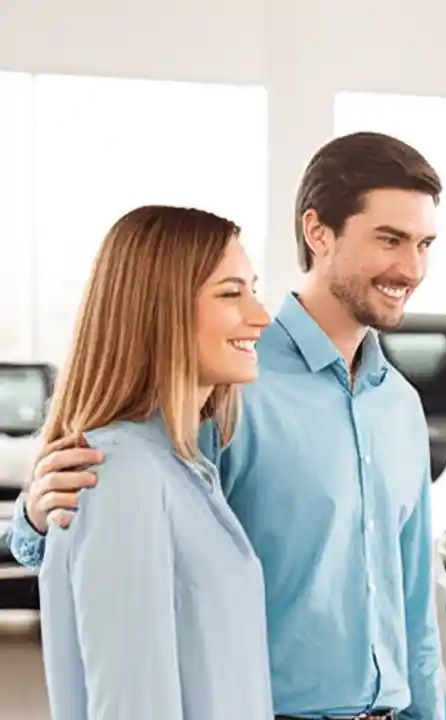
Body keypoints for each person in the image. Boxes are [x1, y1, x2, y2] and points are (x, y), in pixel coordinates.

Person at [13, 132, 446, 719]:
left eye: (424, 243)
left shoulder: (399, 405)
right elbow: (125, 517)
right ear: (317, 232)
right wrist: (35, 519)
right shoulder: (228, 379)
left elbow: (413, 606)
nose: (412, 267)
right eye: (391, 240)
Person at [38, 205, 273, 718]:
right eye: (231, 293)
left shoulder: (183, 466)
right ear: (158, 308)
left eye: (252, 289)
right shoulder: (122, 472)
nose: (261, 316)